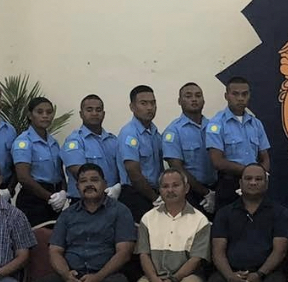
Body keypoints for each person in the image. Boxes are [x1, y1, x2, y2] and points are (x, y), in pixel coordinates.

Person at [206, 77, 272, 210]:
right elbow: (217, 161)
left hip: (256, 185)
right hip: (229, 185)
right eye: (235, 94)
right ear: (226, 96)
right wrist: (249, 173)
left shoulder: (256, 124)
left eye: (245, 94)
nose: (240, 98)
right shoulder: (216, 124)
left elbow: (265, 157)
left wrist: (259, 176)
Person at [162, 82, 217, 213]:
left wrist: (213, 193)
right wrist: (205, 193)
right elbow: (177, 168)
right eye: (188, 96)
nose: (194, 99)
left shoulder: (213, 127)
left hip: (216, 188)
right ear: (179, 101)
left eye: (198, 95)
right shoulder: (173, 131)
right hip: (190, 193)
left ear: (203, 100)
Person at [12, 96, 66, 226]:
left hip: (54, 198)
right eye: (40, 112)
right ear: (30, 115)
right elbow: (23, 177)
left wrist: (63, 192)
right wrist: (49, 197)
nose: (45, 116)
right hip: (34, 199)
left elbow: (60, 172)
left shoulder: (53, 142)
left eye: (49, 112)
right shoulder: (24, 141)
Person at [62, 94, 125, 203]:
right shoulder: (75, 141)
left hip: (112, 199)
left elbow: (122, 170)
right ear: (81, 114)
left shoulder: (113, 140)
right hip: (83, 201)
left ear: (103, 114)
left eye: (98, 110)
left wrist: (119, 186)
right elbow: (80, 173)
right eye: (89, 110)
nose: (94, 113)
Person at [119, 85, 165, 219]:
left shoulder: (155, 133)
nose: (150, 107)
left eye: (153, 103)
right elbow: (133, 173)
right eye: (143, 103)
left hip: (155, 193)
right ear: (132, 107)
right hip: (136, 195)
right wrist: (155, 198)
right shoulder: (130, 134)